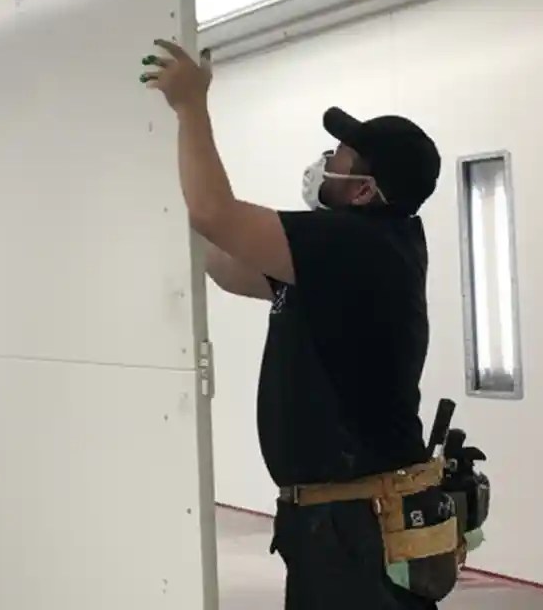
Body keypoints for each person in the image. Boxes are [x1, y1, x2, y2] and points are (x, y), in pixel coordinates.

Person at [142, 41, 445, 609]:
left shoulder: (359, 244)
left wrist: (190, 107)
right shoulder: (351, 254)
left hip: (358, 526)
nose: (325, 160)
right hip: (334, 521)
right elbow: (227, 264)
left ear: (364, 191)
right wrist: (173, 187)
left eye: (341, 157)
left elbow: (216, 215)